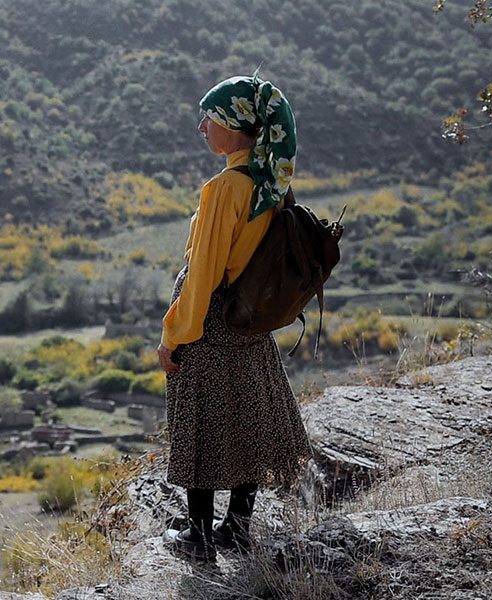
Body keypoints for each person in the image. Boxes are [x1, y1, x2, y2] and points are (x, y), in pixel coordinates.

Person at [158, 74, 312, 562]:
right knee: (250, 419)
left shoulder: (225, 187)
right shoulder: (271, 182)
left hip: (211, 322)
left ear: (235, 126)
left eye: (210, 118)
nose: (202, 127)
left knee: (200, 425)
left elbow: (202, 273)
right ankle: (237, 529)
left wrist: (175, 335)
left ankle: (199, 539)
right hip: (250, 324)